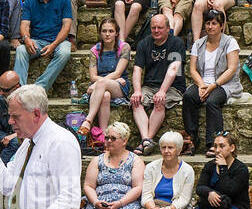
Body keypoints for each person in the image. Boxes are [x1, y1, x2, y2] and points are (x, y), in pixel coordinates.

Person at [128, 14, 187, 156]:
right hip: (149, 85)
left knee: (159, 101)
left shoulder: (177, 43)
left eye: (160, 27)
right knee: (136, 101)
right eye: (153, 27)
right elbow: (137, 69)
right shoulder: (144, 44)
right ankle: (147, 140)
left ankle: (146, 141)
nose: (156, 30)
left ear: (168, 29)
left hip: (173, 87)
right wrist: (137, 91)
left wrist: (162, 91)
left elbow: (174, 69)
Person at [184, 8, 241, 153]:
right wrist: (202, 85)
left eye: (214, 23)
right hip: (202, 82)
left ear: (221, 26)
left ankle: (213, 143)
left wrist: (213, 86)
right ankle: (191, 139)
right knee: (189, 97)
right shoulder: (198, 44)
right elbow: (192, 69)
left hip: (224, 83)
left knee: (212, 101)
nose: (210, 26)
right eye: (208, 23)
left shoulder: (230, 42)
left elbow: (231, 69)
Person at [14, 0, 73, 92]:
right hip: (37, 41)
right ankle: (19, 90)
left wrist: (54, 45)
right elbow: (24, 25)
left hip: (58, 41)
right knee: (21, 50)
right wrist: (26, 39)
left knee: (65, 52)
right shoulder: (30, 1)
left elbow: (66, 27)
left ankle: (39, 88)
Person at [79, 16, 131, 142]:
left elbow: (118, 72)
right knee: (105, 95)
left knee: (104, 85)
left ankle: (88, 120)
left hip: (119, 85)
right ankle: (103, 135)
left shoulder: (124, 47)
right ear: (100, 32)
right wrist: (100, 83)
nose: (107, 34)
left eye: (111, 31)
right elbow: (93, 76)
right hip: (102, 86)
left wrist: (98, 84)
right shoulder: (94, 50)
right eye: (104, 31)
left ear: (117, 33)